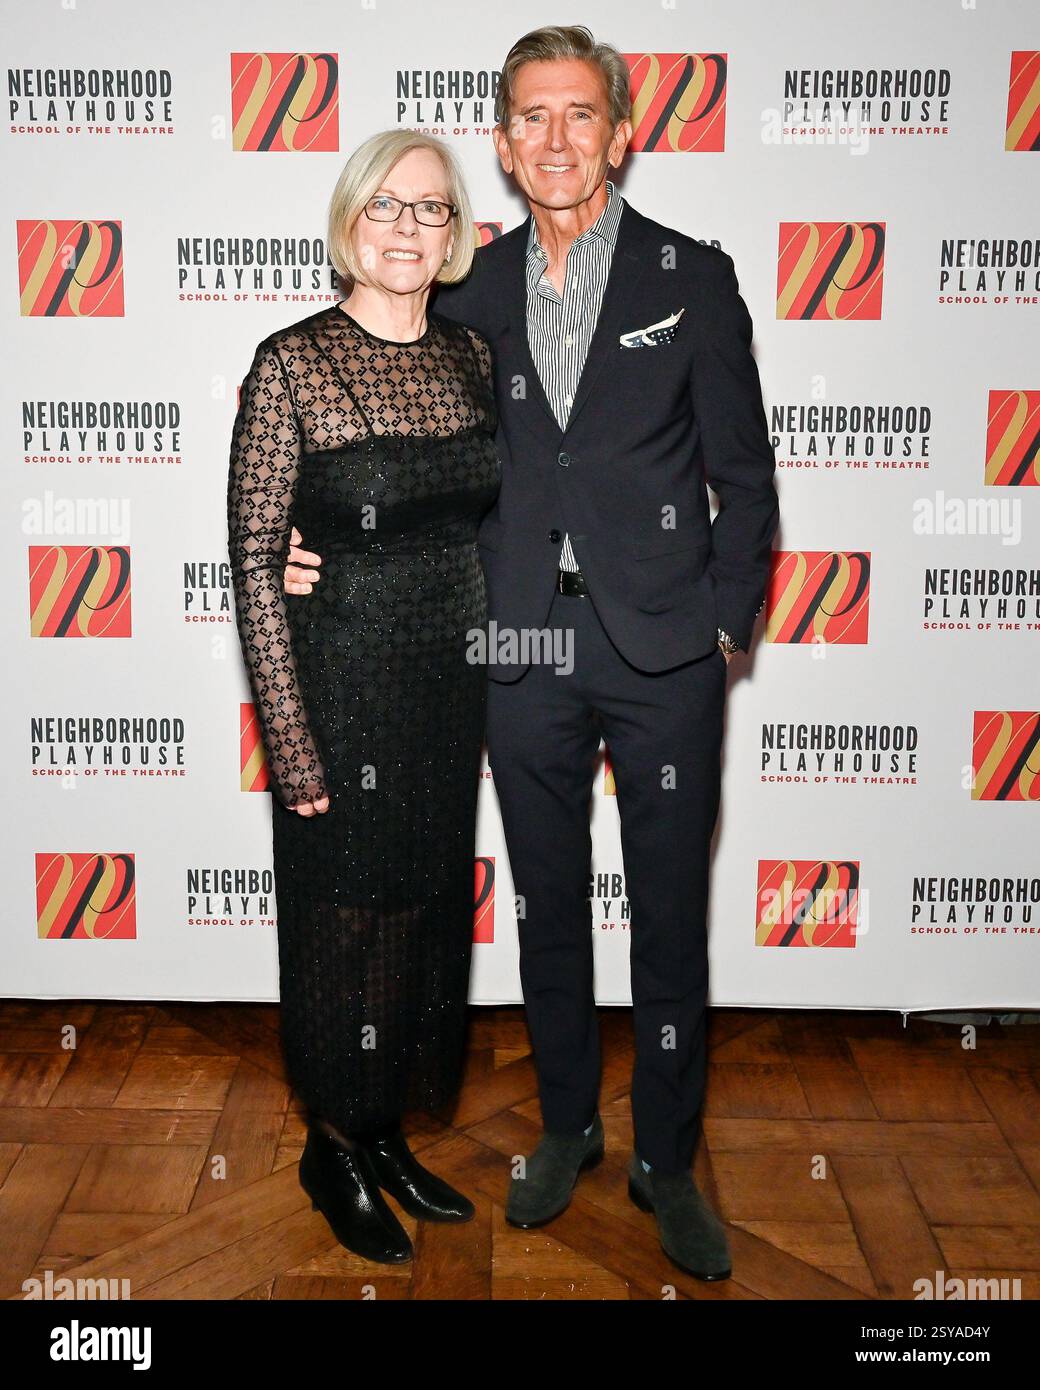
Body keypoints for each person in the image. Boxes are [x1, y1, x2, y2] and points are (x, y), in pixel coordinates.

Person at [283, 25, 779, 1282]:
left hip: (664, 653)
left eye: (578, 115)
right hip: (517, 651)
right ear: (502, 145)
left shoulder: (693, 277)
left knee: (668, 918)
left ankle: (666, 1159)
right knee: (545, 907)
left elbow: (745, 477)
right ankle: (565, 1127)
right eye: (529, 118)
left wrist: (721, 625)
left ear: (618, 132)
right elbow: (393, 432)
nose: (554, 139)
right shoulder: (467, 295)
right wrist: (311, 532)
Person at [227, 129, 500, 1265]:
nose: (406, 227)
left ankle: (383, 1129)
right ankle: (330, 1145)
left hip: (445, 688)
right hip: (338, 685)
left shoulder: (470, 359)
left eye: (430, 210)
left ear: (454, 236)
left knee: (421, 914)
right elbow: (253, 559)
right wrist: (291, 742)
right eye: (386, 206)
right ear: (350, 219)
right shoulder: (290, 363)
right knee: (344, 925)